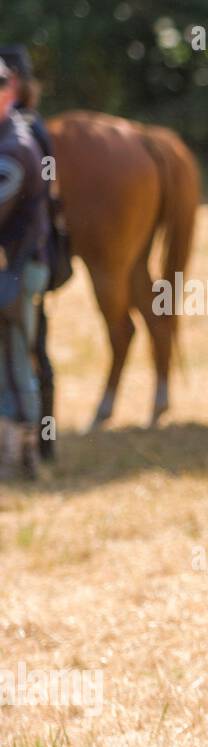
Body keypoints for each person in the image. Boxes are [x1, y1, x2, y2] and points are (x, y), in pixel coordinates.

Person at [0, 44, 66, 462]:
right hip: (26, 260)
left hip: (23, 263)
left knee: (23, 356)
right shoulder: (24, 131)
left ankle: (30, 451)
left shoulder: (19, 141)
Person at [0, 57, 48, 480]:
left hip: (16, 271)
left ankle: (23, 457)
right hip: (11, 268)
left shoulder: (14, 147)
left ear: (8, 95)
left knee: (15, 363)